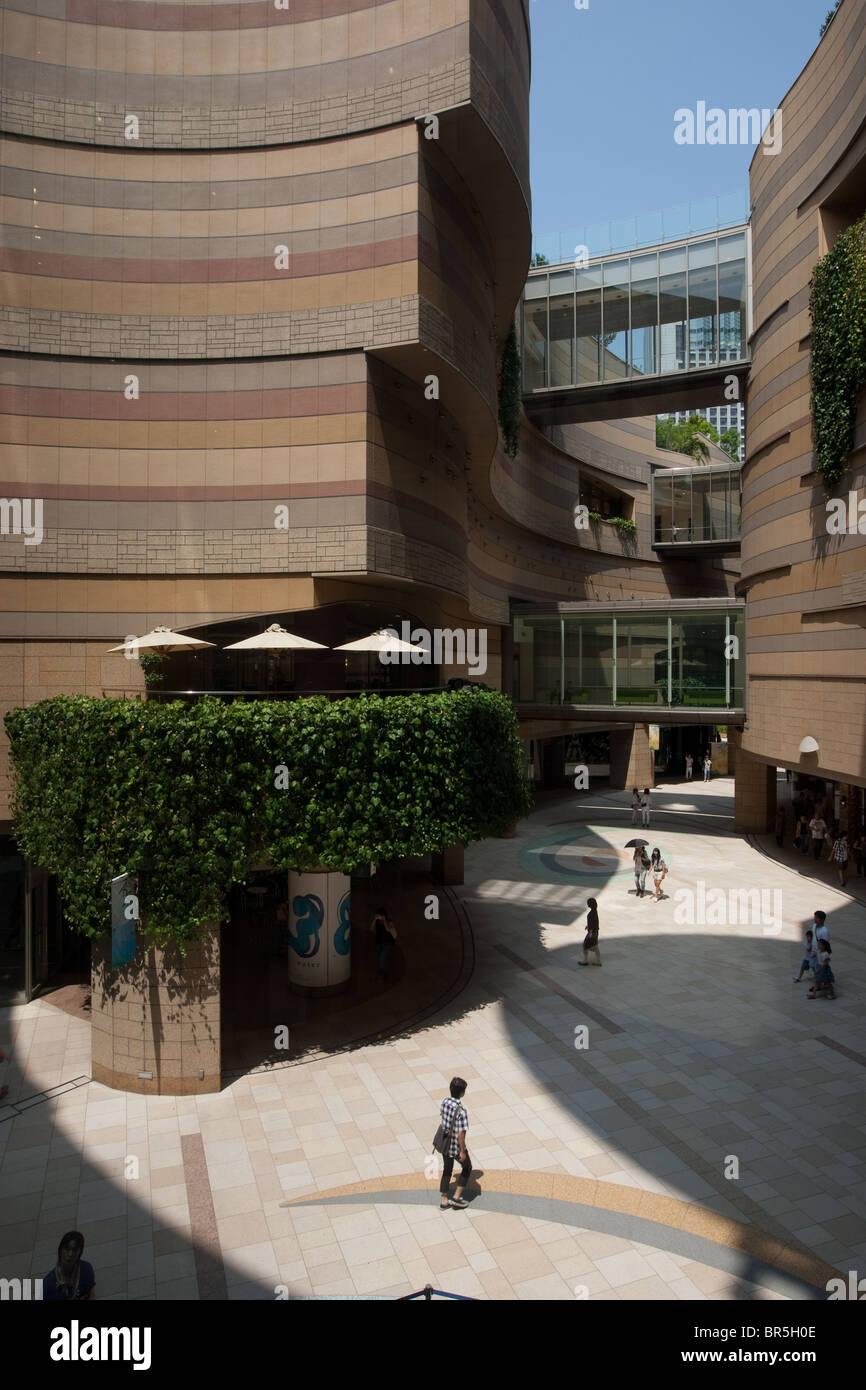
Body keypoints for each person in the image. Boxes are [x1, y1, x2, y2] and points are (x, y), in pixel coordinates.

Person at [438, 1077, 472, 1210]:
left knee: (447, 1170)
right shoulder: (461, 1111)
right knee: (467, 1167)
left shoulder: (445, 1102)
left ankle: (444, 1199)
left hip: (444, 1143)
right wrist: (462, 1151)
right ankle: (457, 1198)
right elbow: (461, 1134)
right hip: (455, 1146)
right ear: (462, 1092)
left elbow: (443, 1117)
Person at [43, 1231, 95, 1301]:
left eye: (75, 1250)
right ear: (60, 1250)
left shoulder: (86, 1269)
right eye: (67, 1248)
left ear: (80, 1252)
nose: (70, 1254)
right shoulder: (48, 1284)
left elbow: (91, 1294)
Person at [370, 906, 397, 983]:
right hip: (379, 943)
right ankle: (384, 974)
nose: (379, 917)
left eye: (379, 915)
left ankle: (381, 976)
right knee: (381, 959)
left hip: (388, 943)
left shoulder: (389, 921)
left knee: (382, 958)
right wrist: (374, 920)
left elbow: (388, 929)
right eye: (377, 915)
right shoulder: (377, 921)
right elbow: (371, 929)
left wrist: (384, 920)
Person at [577, 897, 601, 966]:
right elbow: (594, 922)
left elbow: (592, 923)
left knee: (585, 945)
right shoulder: (595, 911)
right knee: (595, 946)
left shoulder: (591, 913)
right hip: (595, 932)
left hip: (592, 932)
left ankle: (585, 961)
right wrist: (588, 926)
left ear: (589, 904)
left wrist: (590, 931)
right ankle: (598, 961)